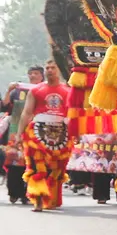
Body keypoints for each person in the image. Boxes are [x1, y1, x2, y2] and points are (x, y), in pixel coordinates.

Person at [17, 61, 73, 212]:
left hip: (62, 132)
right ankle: (38, 200)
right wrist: (19, 133)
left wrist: (77, 133)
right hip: (37, 131)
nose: (49, 70)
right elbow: (27, 113)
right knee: (37, 166)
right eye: (47, 68)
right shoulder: (36, 90)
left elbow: (73, 114)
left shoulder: (68, 90)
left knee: (57, 167)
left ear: (58, 70)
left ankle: (52, 198)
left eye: (52, 67)